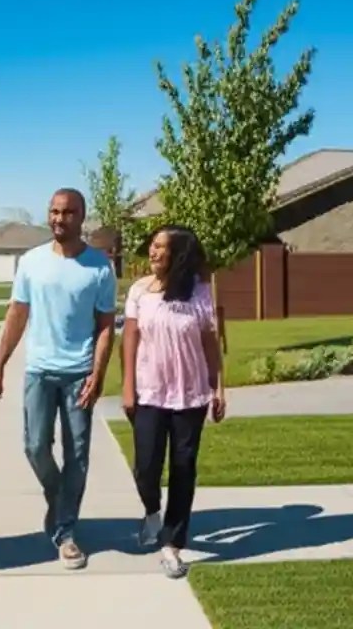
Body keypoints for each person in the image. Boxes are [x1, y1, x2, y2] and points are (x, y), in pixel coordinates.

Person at [0, 188, 117, 570]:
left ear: (82, 217)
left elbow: (106, 327)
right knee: (34, 446)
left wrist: (98, 373)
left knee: (77, 454)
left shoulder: (99, 267)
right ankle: (58, 495)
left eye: (68, 212)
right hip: (39, 371)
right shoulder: (31, 262)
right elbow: (16, 314)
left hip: (79, 374)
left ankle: (65, 531)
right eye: (55, 211)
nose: (60, 218)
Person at [121, 224, 225, 579]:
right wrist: (127, 386)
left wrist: (219, 387)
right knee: (146, 468)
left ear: (177, 254)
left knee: (183, 468)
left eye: (161, 247)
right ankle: (152, 512)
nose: (153, 252)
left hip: (190, 394)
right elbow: (130, 341)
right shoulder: (139, 291)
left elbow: (210, 343)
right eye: (152, 245)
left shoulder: (198, 291)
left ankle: (172, 544)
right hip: (149, 392)